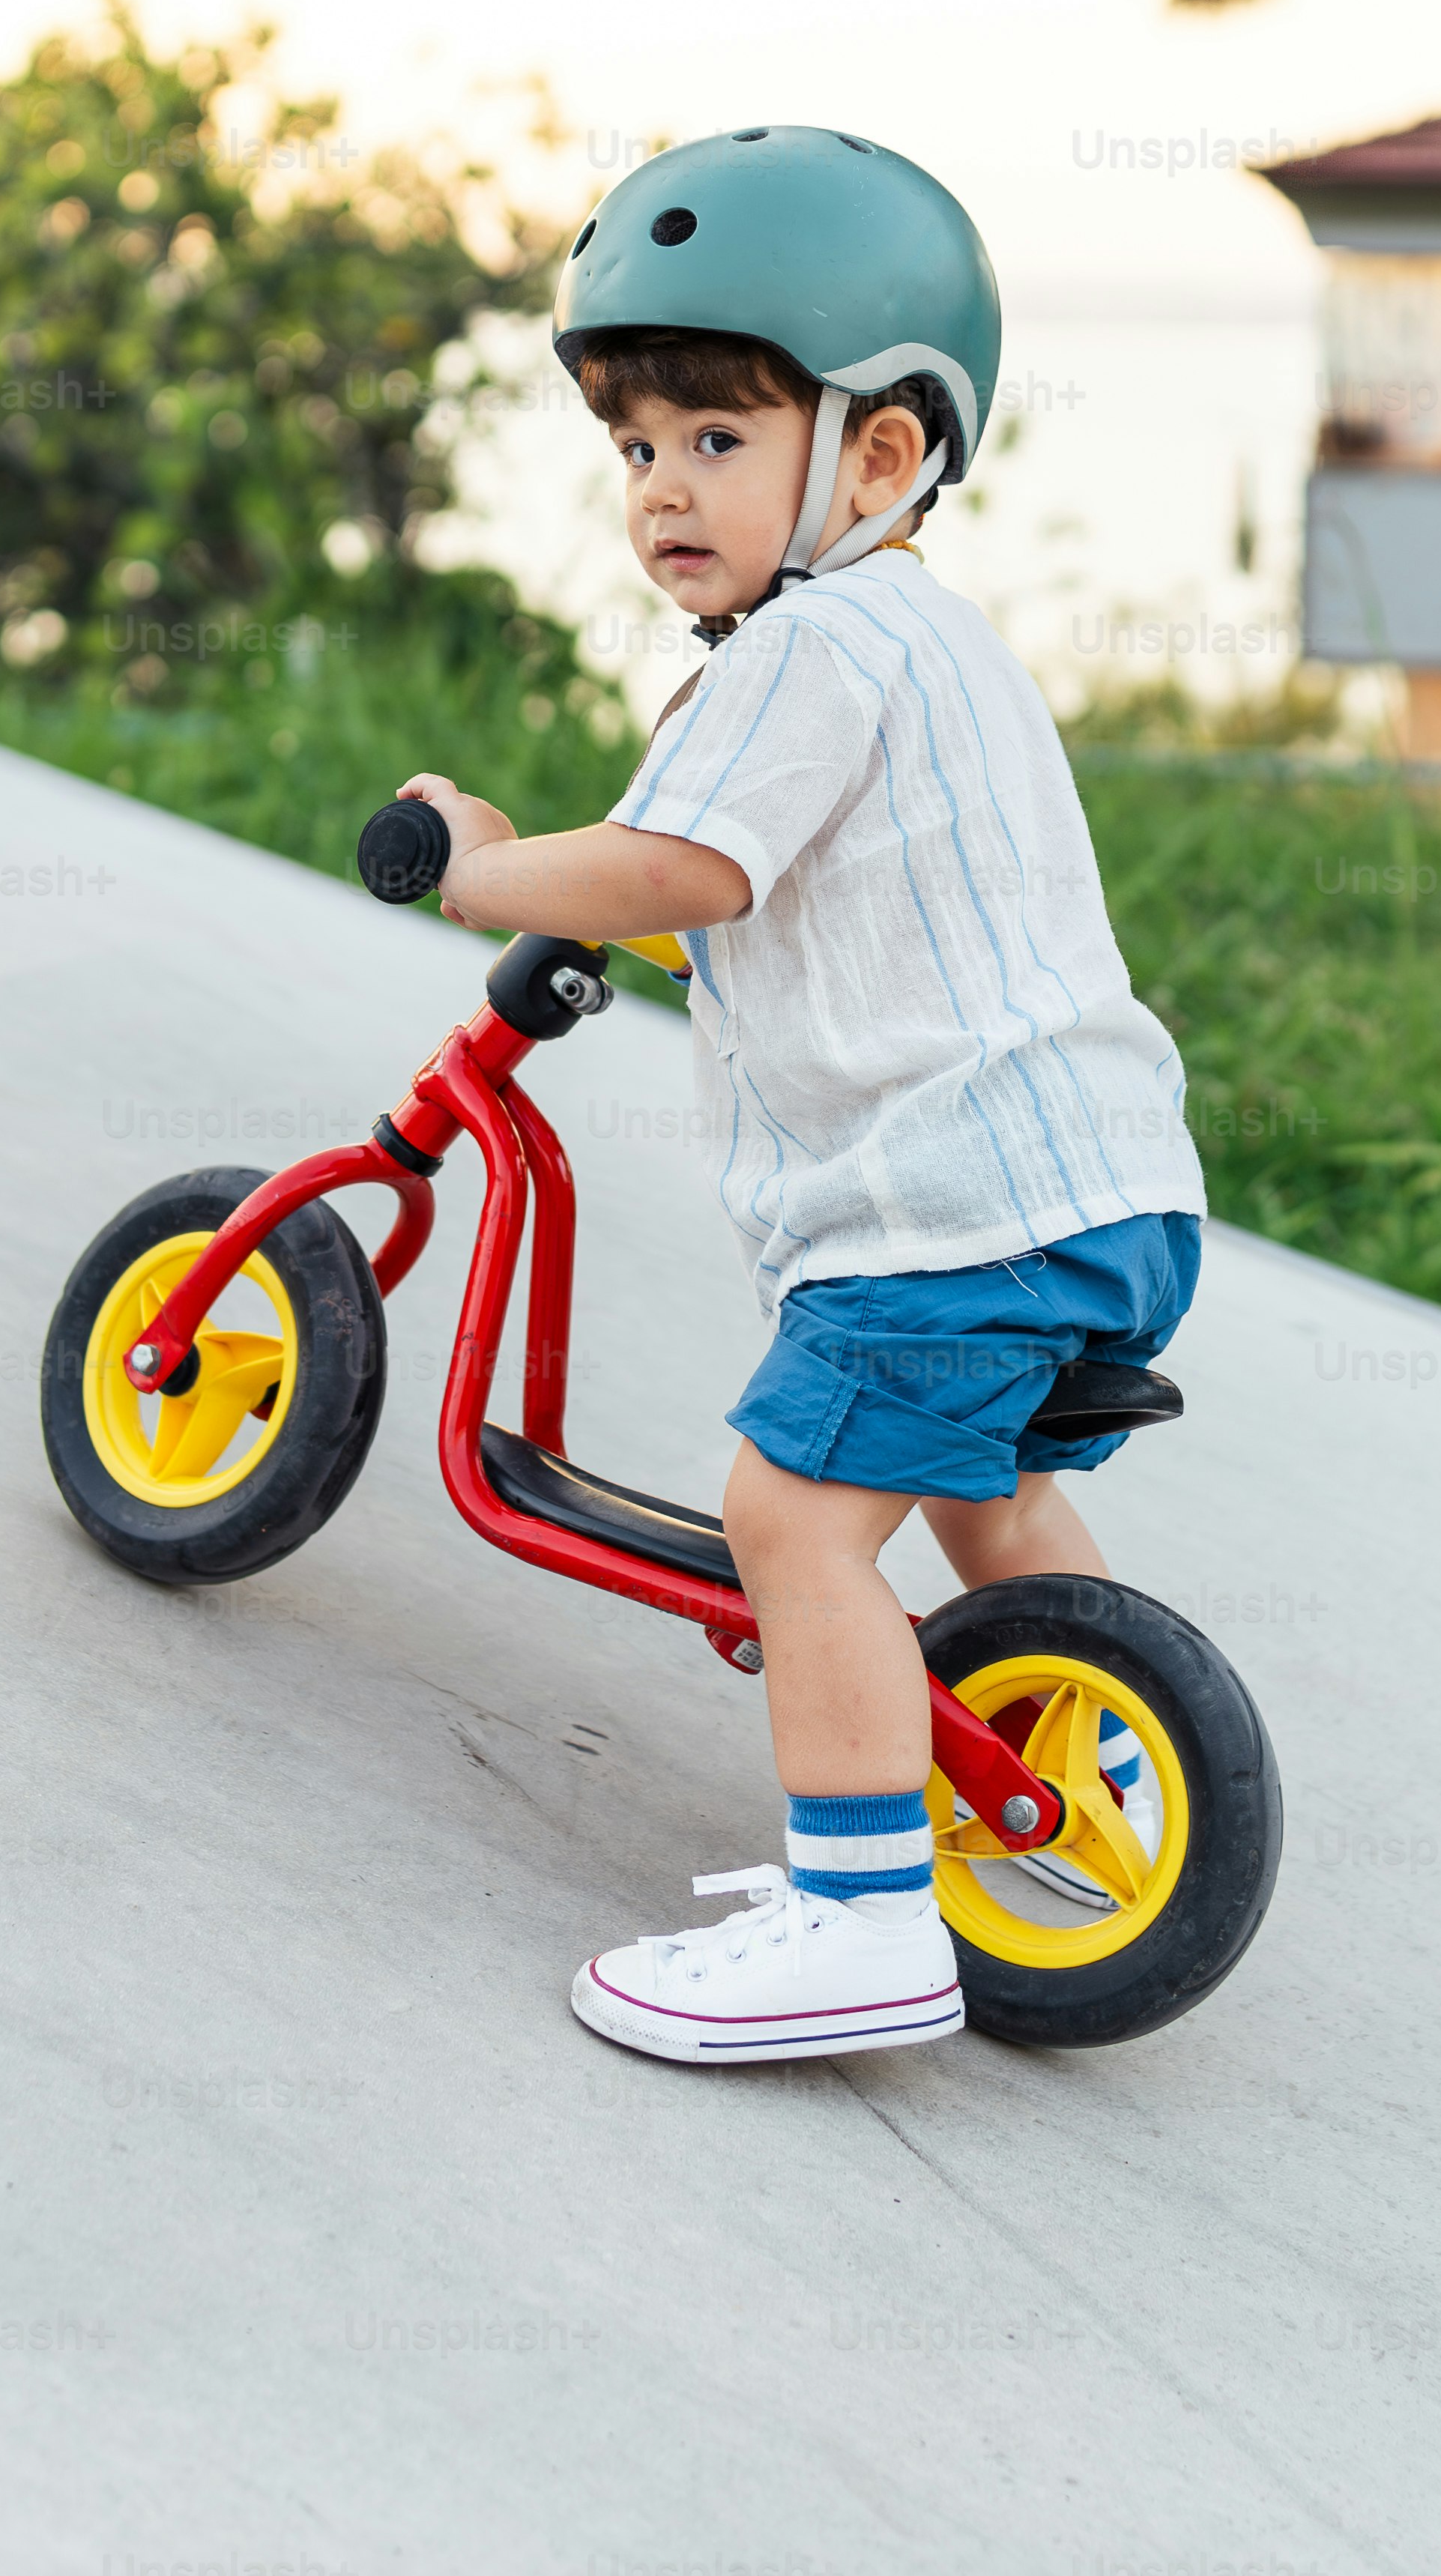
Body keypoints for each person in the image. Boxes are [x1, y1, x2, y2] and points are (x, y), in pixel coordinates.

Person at [391, 126, 1209, 2065]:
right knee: (990, 1502)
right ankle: (1067, 1787)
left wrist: (479, 865)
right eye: (637, 447)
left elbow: (683, 871)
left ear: (883, 452)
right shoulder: (927, 642)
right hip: (1097, 1196)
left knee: (794, 1510)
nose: (666, 486)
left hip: (947, 1221)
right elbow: (830, 916)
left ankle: (858, 1916)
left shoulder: (811, 645)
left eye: (719, 439)